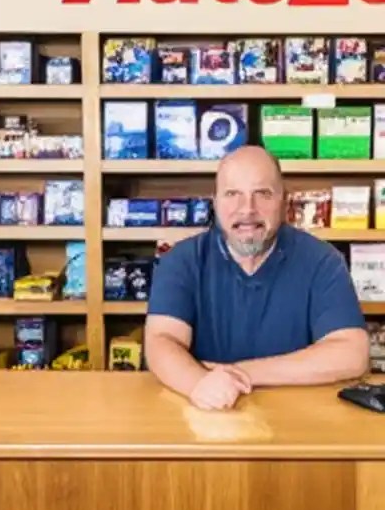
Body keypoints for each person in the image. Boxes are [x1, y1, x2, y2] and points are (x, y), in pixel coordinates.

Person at [145, 145, 370, 410]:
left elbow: (352, 353)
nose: (247, 209)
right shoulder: (182, 260)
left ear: (284, 201)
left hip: (299, 417)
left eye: (262, 194)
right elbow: (161, 341)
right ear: (215, 202)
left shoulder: (323, 261)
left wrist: (240, 374)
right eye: (232, 194)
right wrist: (198, 384)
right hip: (206, 412)